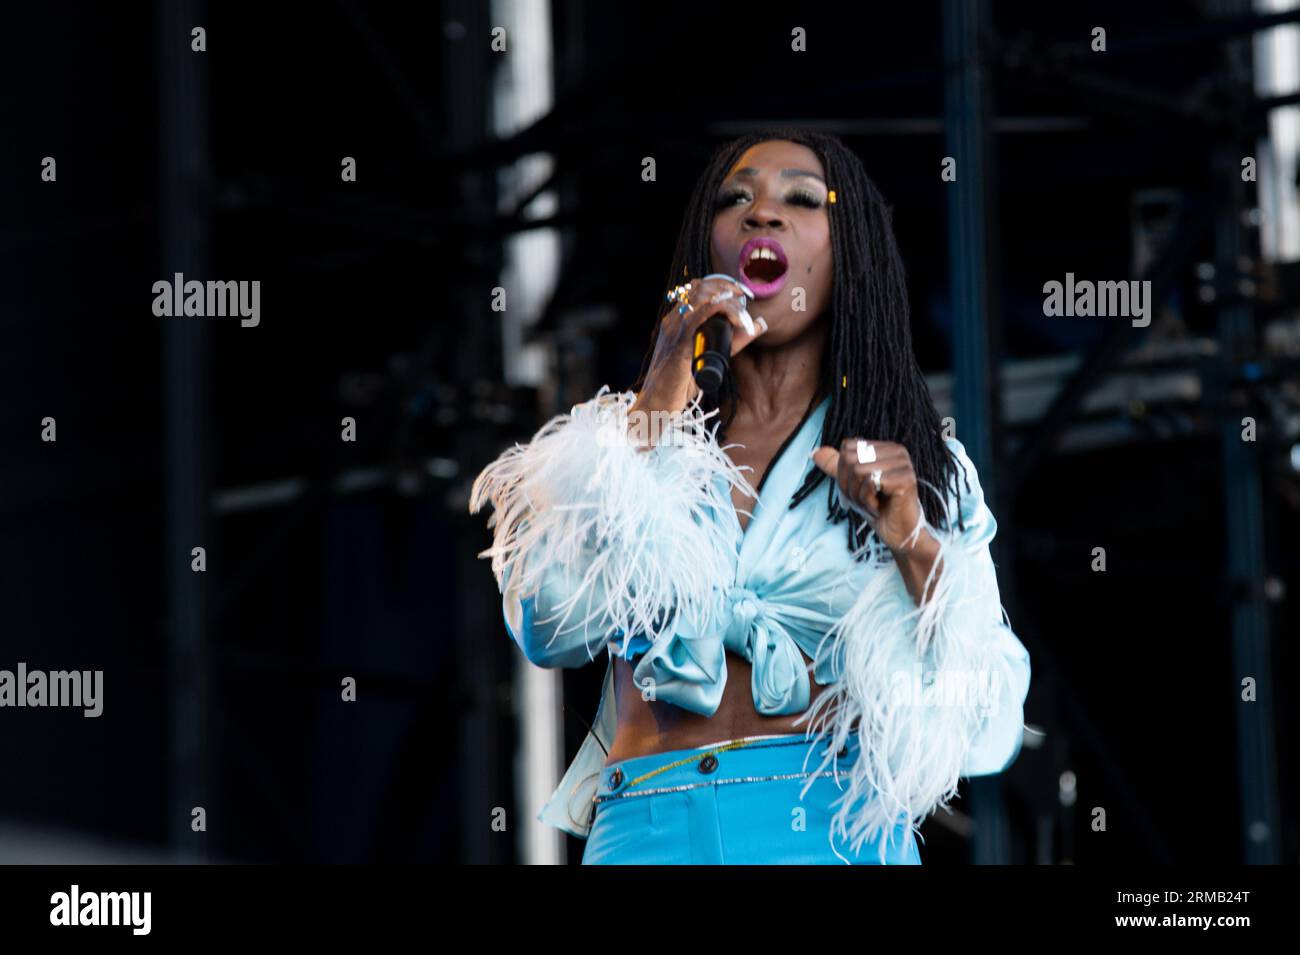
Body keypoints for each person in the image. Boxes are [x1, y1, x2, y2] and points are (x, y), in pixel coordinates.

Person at [469, 128, 1031, 864]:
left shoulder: (919, 466)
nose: (762, 213)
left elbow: (989, 729)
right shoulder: (622, 445)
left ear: (849, 254)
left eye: (801, 200)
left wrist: (913, 544)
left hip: (828, 827)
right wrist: (648, 415)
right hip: (648, 825)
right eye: (736, 199)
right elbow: (547, 627)